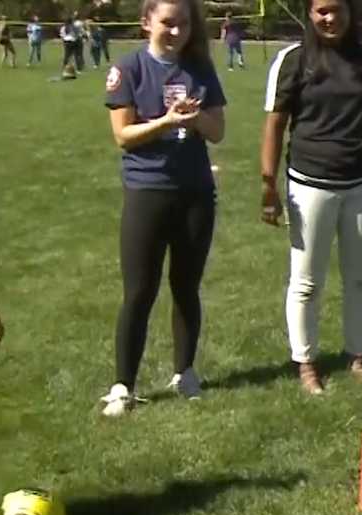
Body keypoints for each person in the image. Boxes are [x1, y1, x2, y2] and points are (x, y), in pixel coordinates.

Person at [261, 0, 362, 394]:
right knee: (307, 282)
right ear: (309, 13)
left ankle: (358, 357)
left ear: (351, 12)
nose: (330, 18)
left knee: (359, 278)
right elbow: (274, 126)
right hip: (309, 184)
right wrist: (268, 186)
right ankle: (306, 363)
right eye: (321, 10)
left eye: (337, 9)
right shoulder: (292, 60)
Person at [101, 0, 227, 417]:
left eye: (184, 24)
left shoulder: (200, 69)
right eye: (167, 24)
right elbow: (123, 135)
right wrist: (165, 122)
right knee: (139, 291)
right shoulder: (129, 68)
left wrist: (193, 121)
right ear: (146, 23)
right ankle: (123, 385)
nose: (176, 32)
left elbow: (218, 131)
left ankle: (185, 372)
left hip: (194, 192)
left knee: (186, 286)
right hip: (147, 191)